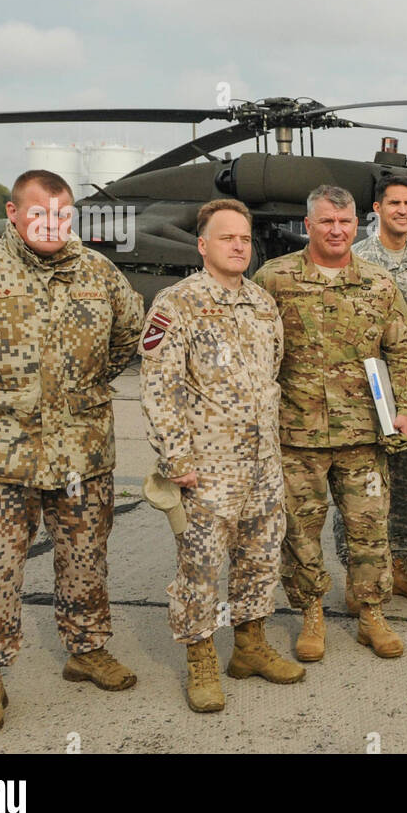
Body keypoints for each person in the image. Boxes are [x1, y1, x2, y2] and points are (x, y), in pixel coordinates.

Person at [0, 169, 143, 734]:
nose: (52, 225)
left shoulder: (99, 273)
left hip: (82, 454)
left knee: (86, 561)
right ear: (14, 214)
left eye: (63, 215)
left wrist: (79, 393)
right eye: (40, 214)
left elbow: (127, 338)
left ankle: (86, 650)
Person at [140, 198, 303, 712]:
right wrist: (176, 459)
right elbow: (159, 390)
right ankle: (201, 659)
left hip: (261, 464)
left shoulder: (261, 302)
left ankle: (250, 647)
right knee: (201, 568)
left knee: (260, 559)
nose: (238, 245)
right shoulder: (176, 304)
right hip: (206, 469)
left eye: (244, 238)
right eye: (226, 237)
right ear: (202, 245)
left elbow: (273, 372)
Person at [254, 185, 407, 660]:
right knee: (301, 532)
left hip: (363, 434)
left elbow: (402, 351)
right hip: (296, 433)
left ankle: (371, 613)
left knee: (370, 528)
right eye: (327, 221)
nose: (336, 230)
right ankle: (311, 613)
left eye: (345, 222)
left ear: (357, 225)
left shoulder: (377, 283)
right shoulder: (275, 278)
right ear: (308, 224)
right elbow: (256, 354)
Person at [331, 175, 407, 609]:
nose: (402, 210)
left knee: (406, 487)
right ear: (376, 208)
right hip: (361, 395)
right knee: (357, 488)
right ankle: (355, 575)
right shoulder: (355, 258)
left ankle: (398, 564)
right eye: (393, 202)